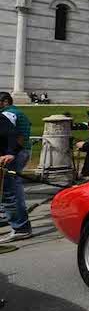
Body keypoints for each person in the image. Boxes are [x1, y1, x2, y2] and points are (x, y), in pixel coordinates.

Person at [0, 92, 31, 241]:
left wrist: (11, 153)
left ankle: (20, 227)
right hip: (16, 153)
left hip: (12, 156)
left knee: (10, 191)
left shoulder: (8, 114)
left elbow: (15, 135)